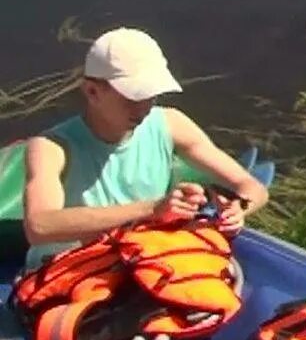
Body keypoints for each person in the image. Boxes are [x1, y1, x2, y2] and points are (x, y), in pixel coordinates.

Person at [21, 29, 269, 266]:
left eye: (150, 96)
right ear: (92, 92)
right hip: (68, 272)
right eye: (131, 98)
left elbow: (251, 187)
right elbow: (40, 226)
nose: (143, 109)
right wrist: (151, 210)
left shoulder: (170, 123)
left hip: (139, 261)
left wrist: (239, 209)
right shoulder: (51, 147)